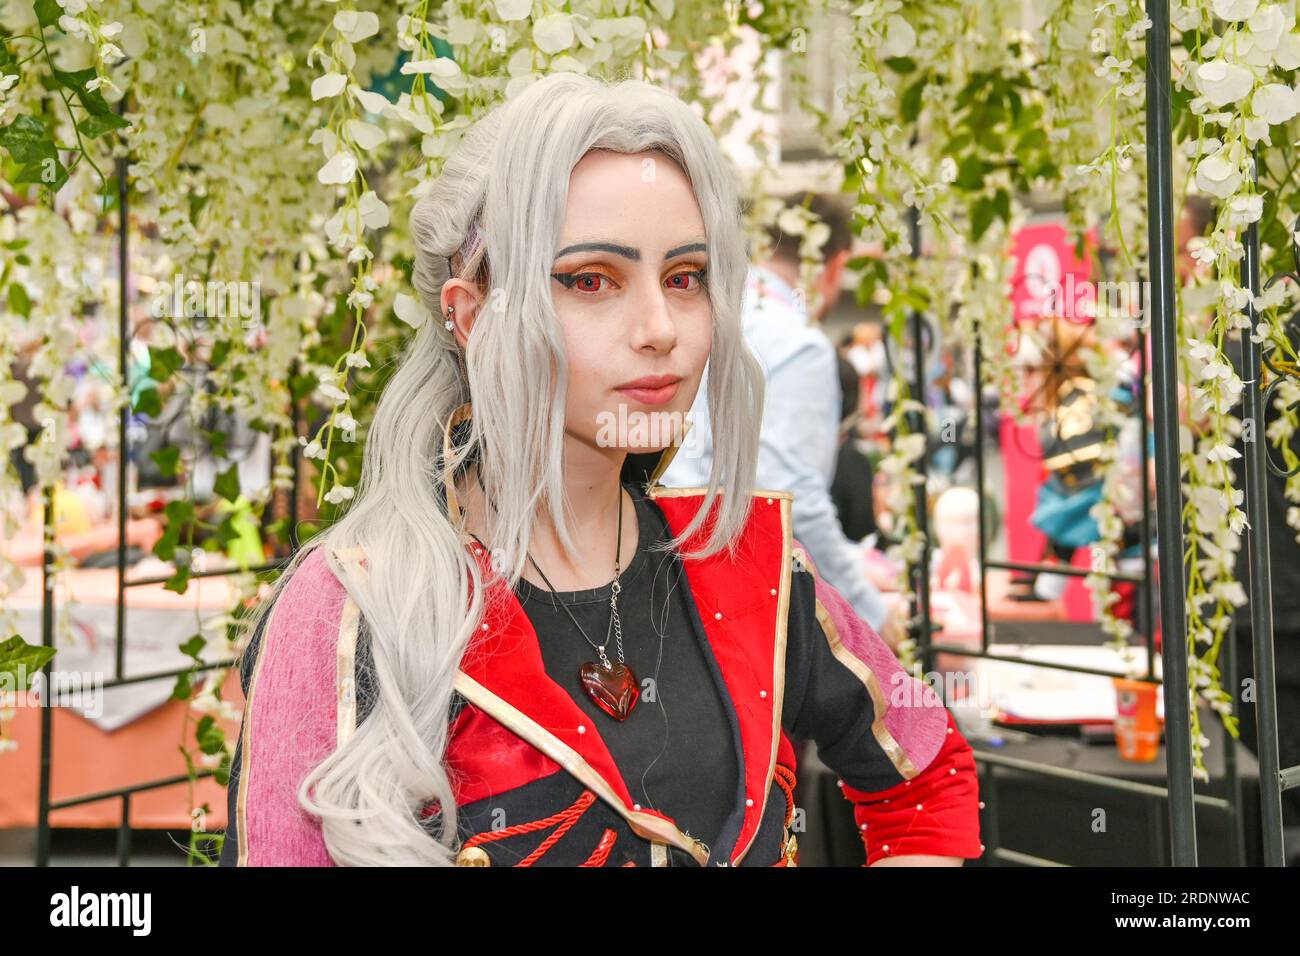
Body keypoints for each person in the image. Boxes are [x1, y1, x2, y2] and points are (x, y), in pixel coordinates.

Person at [218, 73, 980, 867]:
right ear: (473, 316)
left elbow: (927, 767)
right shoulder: (355, 606)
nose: (659, 328)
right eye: (591, 280)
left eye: (685, 278)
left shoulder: (747, 560)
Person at [659, 192, 906, 647]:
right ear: (835, 266)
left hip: (661, 559)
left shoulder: (707, 305)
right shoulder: (798, 344)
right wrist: (869, 610)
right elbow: (793, 496)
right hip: (733, 588)